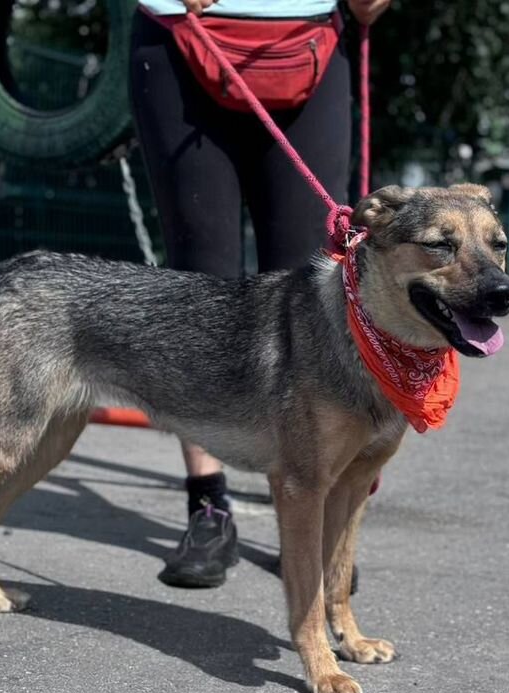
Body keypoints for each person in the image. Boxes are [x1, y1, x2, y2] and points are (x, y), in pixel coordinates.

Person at [129, 0, 389, 588]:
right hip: (179, 37)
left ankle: (310, 522)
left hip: (311, 41)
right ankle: (208, 506)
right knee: (201, 289)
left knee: (318, 282)